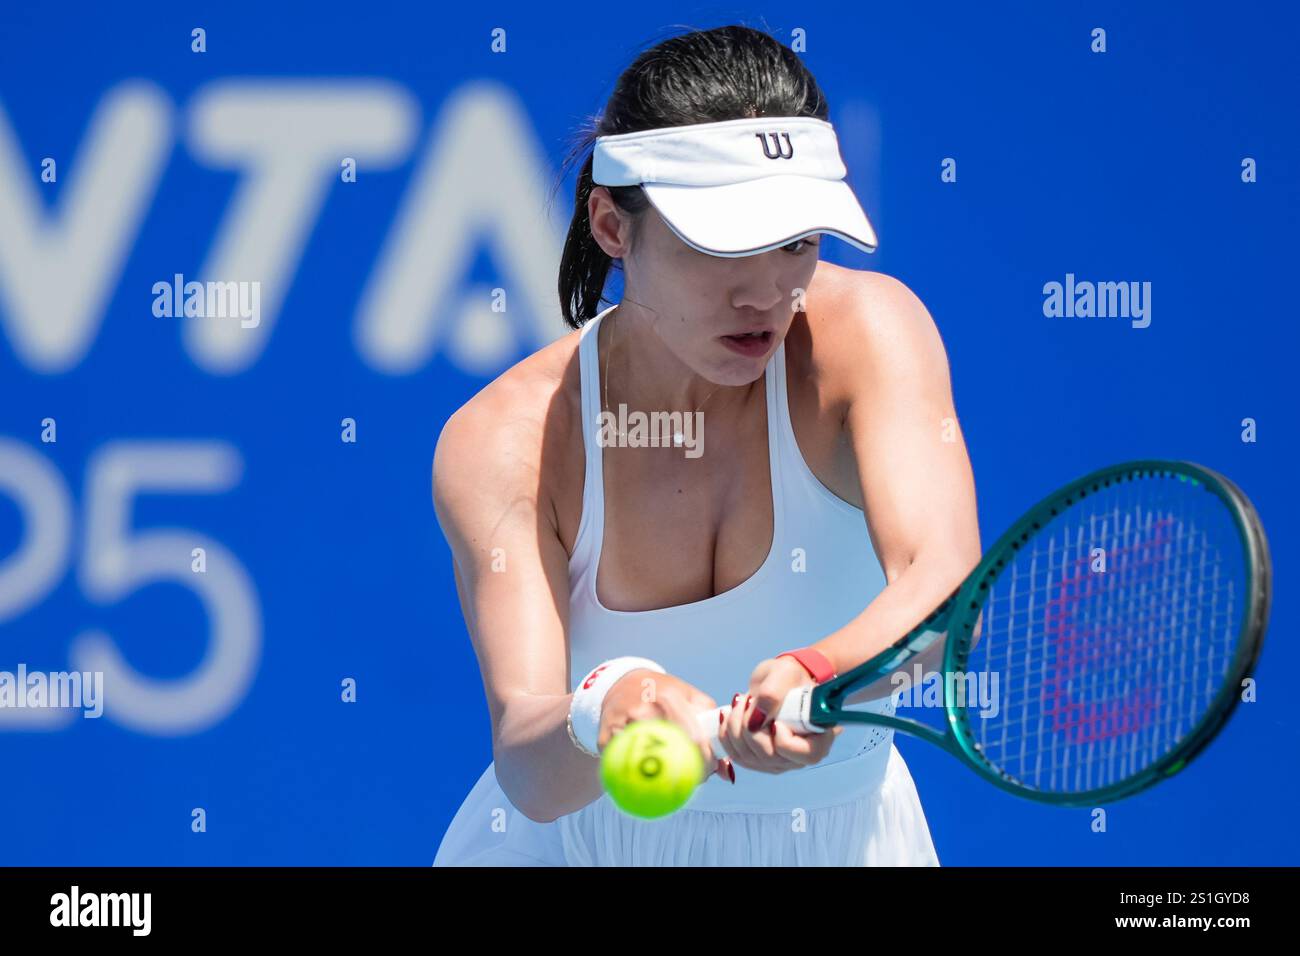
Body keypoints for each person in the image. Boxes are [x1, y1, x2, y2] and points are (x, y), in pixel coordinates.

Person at [432, 24, 979, 866]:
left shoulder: (869, 334)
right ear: (613, 226)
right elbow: (531, 776)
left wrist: (819, 671)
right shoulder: (503, 440)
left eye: (797, 241)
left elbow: (942, 591)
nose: (766, 292)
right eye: (721, 244)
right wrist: (603, 707)